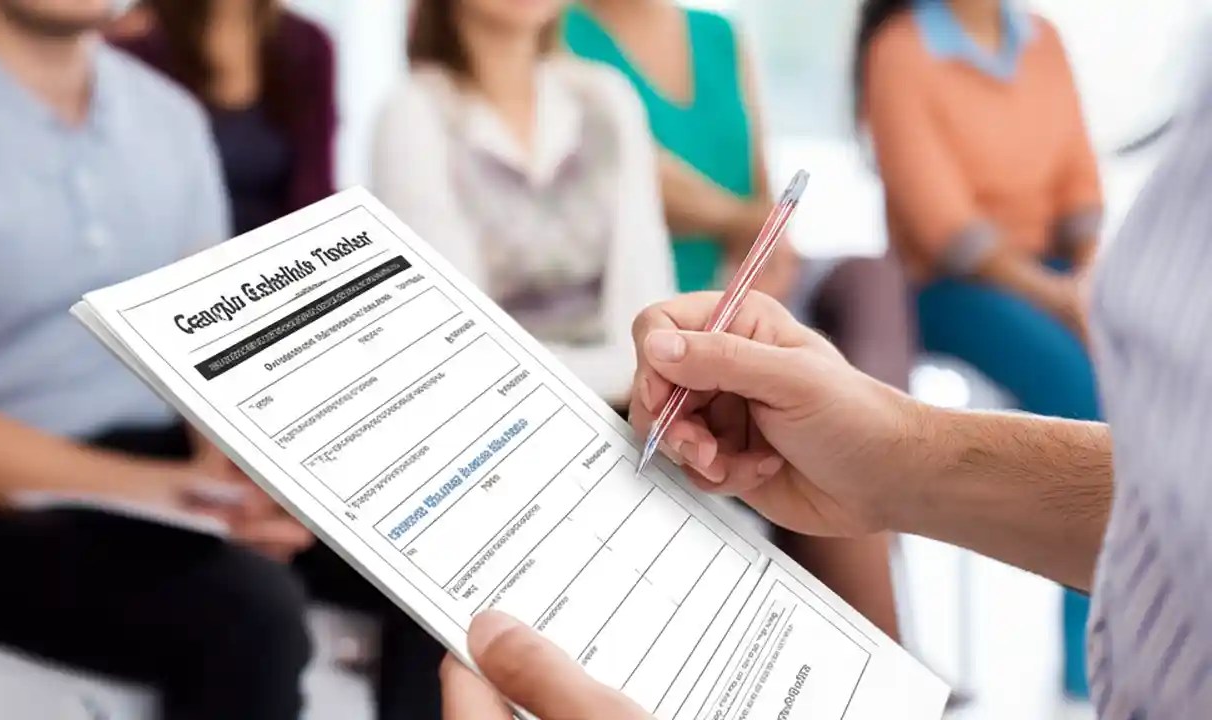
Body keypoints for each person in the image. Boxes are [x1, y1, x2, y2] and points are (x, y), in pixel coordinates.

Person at [440, 66, 1212, 710]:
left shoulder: (623, 82)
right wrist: (904, 458)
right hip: (608, 357)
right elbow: (1181, 483)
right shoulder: (452, 103)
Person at [0, 2, 325, 718]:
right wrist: (168, 491)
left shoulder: (167, 115)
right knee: (248, 614)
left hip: (170, 466)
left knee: (424, 553)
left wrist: (239, 481)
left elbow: (209, 345)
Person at [111, 3, 446, 715]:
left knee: (434, 542)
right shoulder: (129, 53)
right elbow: (141, 259)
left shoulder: (305, 45)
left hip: (277, 349)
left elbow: (313, 221)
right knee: (245, 597)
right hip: (171, 358)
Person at [563, 0, 905, 641]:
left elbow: (764, 193)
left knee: (849, 338)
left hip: (738, 307)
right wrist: (746, 226)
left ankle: (879, 472)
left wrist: (760, 269)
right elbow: (644, 180)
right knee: (794, 439)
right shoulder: (554, 29)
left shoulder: (721, 36)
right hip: (650, 325)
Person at [857, 0, 1103, 695]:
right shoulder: (902, 50)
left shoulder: (1044, 39)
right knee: (1084, 393)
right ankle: (1091, 671)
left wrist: (1087, 277)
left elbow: (1081, 182)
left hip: (1058, 274)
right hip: (949, 288)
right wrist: (1063, 301)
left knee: (1164, 367)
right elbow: (945, 229)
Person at [370, 0, 675, 408]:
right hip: (496, 419)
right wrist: (628, 376)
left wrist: (646, 379)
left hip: (628, 413)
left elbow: (647, 298)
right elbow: (456, 339)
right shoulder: (414, 112)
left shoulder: (607, 98)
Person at [111, 0, 336, 237]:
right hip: (178, 262)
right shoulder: (136, 44)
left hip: (280, 259)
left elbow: (315, 195)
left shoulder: (307, 45)